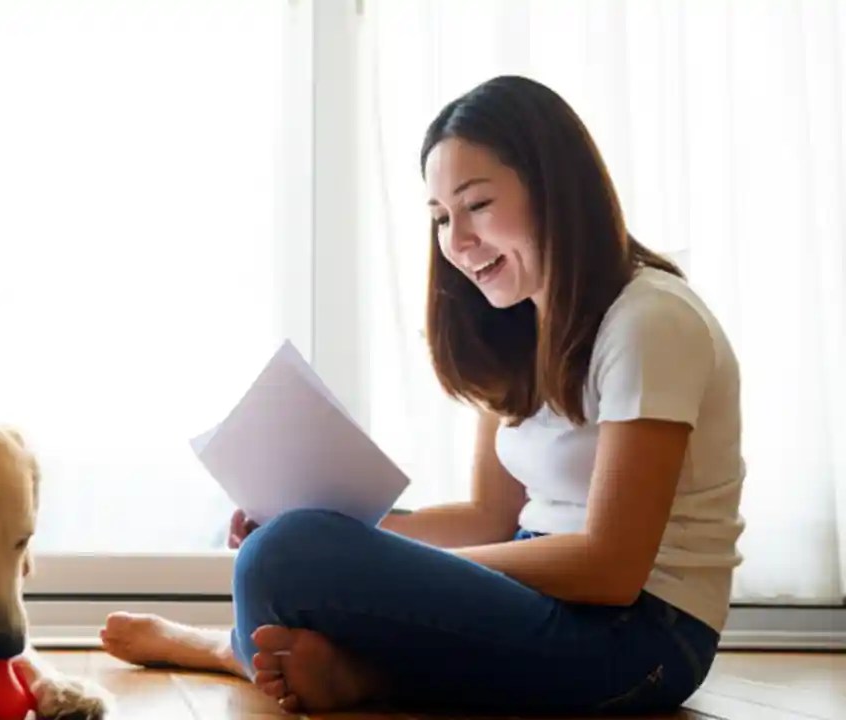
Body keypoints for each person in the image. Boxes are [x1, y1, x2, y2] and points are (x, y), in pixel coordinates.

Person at [100, 75, 746, 716]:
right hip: (545, 599)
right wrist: (358, 535)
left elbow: (611, 568)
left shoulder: (650, 320)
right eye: (440, 217)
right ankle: (360, 675)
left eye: (477, 204)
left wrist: (368, 560)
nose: (457, 241)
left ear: (555, 188)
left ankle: (230, 650)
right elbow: (491, 517)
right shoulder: (522, 325)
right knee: (293, 540)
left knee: (286, 554)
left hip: (641, 639)